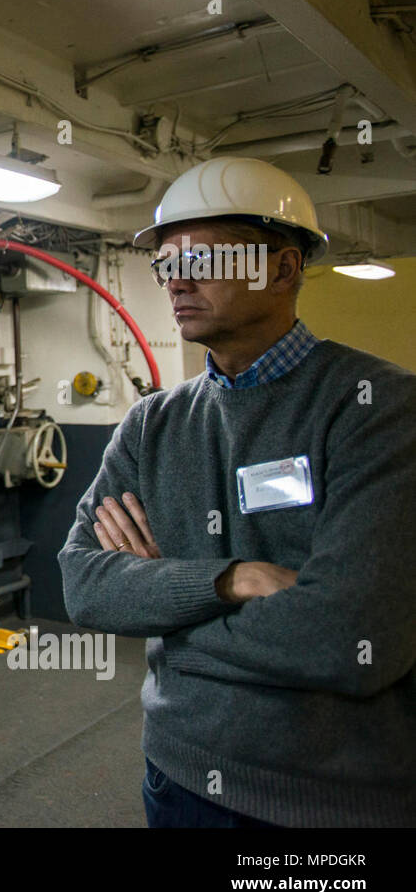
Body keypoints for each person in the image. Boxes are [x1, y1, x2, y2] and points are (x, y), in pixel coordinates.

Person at [58, 157, 416, 827]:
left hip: (326, 801)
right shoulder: (152, 424)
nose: (175, 280)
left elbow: (351, 641)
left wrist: (167, 619)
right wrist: (229, 580)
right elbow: (82, 584)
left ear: (281, 269)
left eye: (203, 258)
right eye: (166, 263)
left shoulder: (378, 409)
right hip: (176, 778)